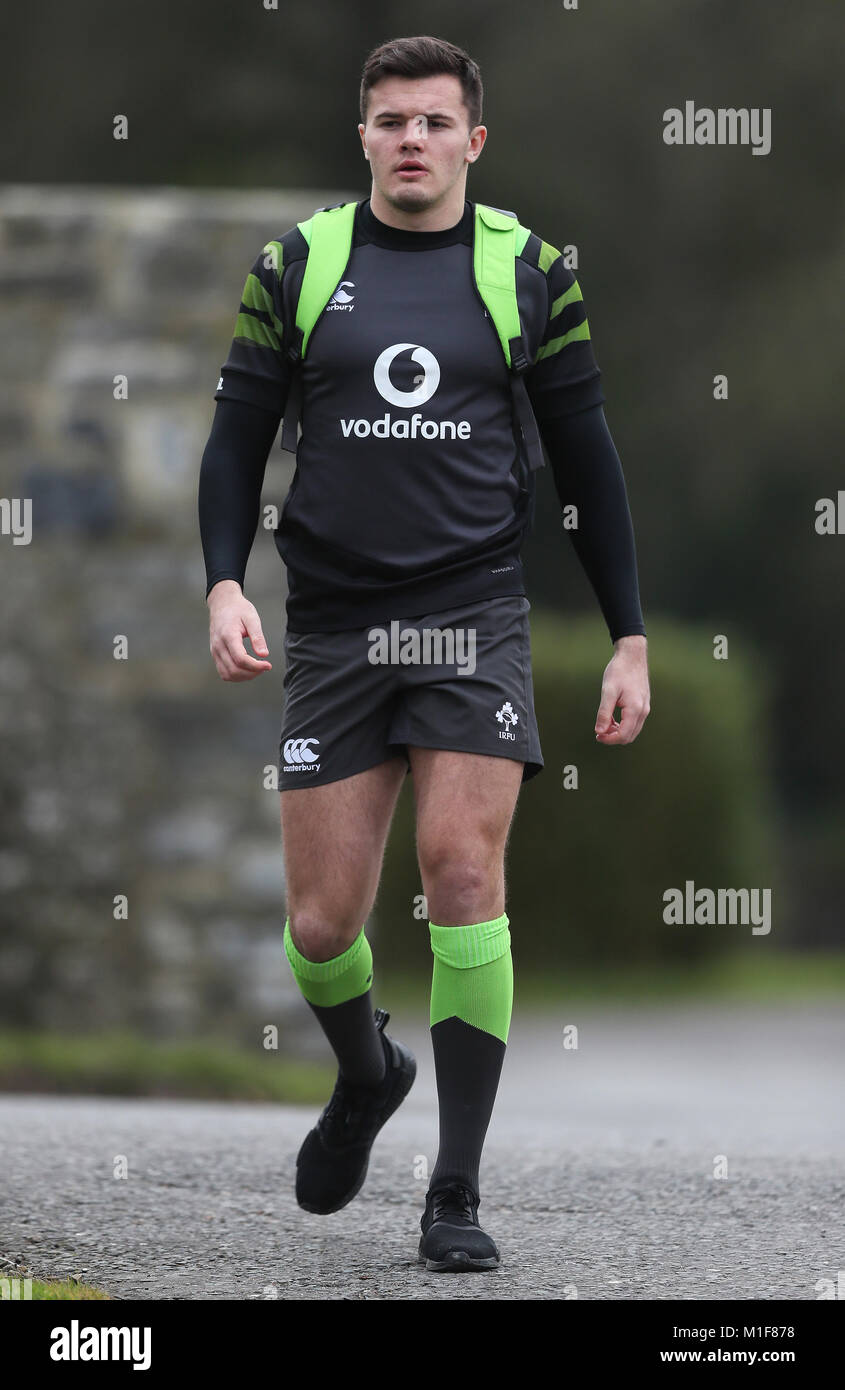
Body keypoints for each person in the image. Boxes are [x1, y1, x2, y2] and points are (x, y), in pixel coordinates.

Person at [198, 34, 650, 1274]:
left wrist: (628, 635)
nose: (412, 139)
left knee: (460, 873)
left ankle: (453, 1191)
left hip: (470, 617)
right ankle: (365, 1071)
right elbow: (236, 439)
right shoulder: (297, 265)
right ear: (362, 137)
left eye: (434, 122)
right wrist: (224, 581)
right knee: (321, 923)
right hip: (336, 627)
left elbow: (587, 460)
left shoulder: (528, 269)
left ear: (471, 140)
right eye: (390, 120)